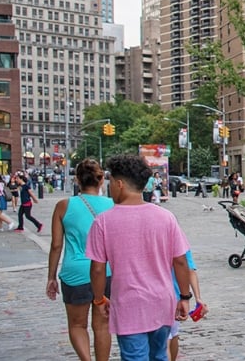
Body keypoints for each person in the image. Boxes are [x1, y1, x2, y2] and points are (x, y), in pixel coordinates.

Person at [87, 153, 192, 361]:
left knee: (134, 357)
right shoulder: (166, 217)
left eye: (110, 183)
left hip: (129, 304)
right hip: (162, 301)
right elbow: (180, 261)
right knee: (159, 355)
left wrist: (99, 299)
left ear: (119, 184)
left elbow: (98, 268)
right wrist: (185, 296)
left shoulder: (103, 222)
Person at [48, 158, 115, 361]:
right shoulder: (113, 205)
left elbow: (56, 245)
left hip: (75, 272)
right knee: (102, 325)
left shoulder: (63, 206)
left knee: (77, 325)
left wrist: (51, 276)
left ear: (77, 180)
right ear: (101, 180)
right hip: (106, 271)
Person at [168, 251, 203, 361]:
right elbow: (189, 269)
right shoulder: (177, 235)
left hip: (157, 295)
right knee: (173, 335)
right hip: (175, 296)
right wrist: (197, 298)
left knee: (164, 343)